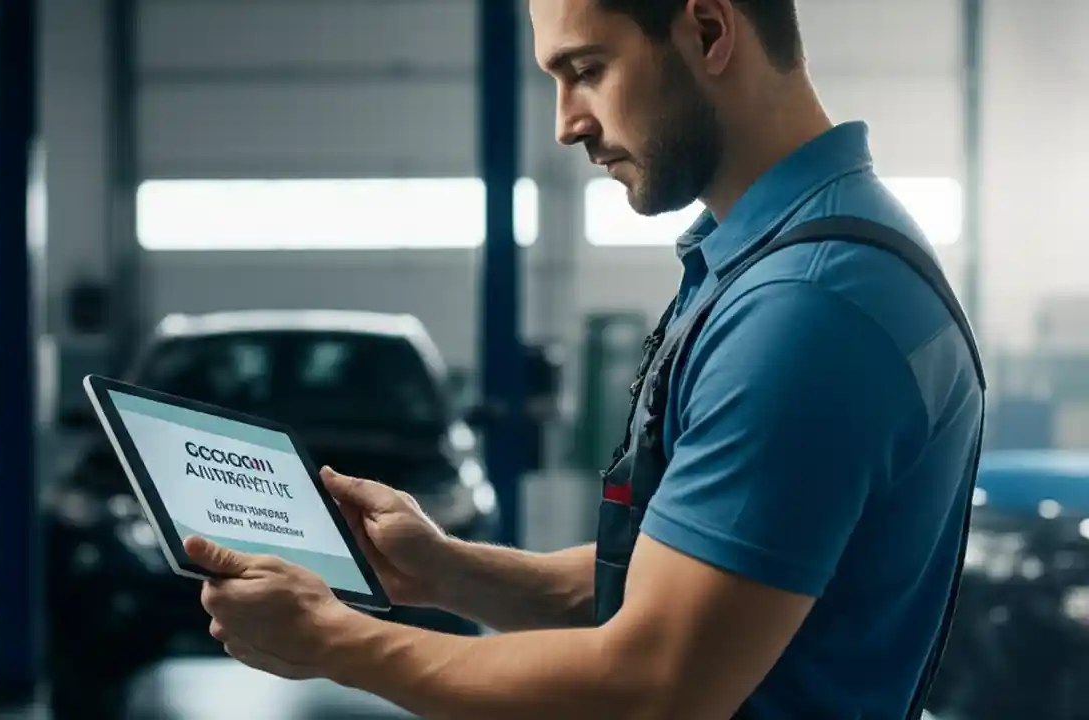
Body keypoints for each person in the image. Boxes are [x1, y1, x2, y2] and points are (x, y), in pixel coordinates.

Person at [183, 0, 985, 717]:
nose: (566, 122)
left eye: (586, 70)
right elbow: (682, 577)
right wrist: (447, 571)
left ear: (708, 30)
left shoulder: (810, 309)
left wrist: (337, 642)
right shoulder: (787, 259)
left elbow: (654, 684)